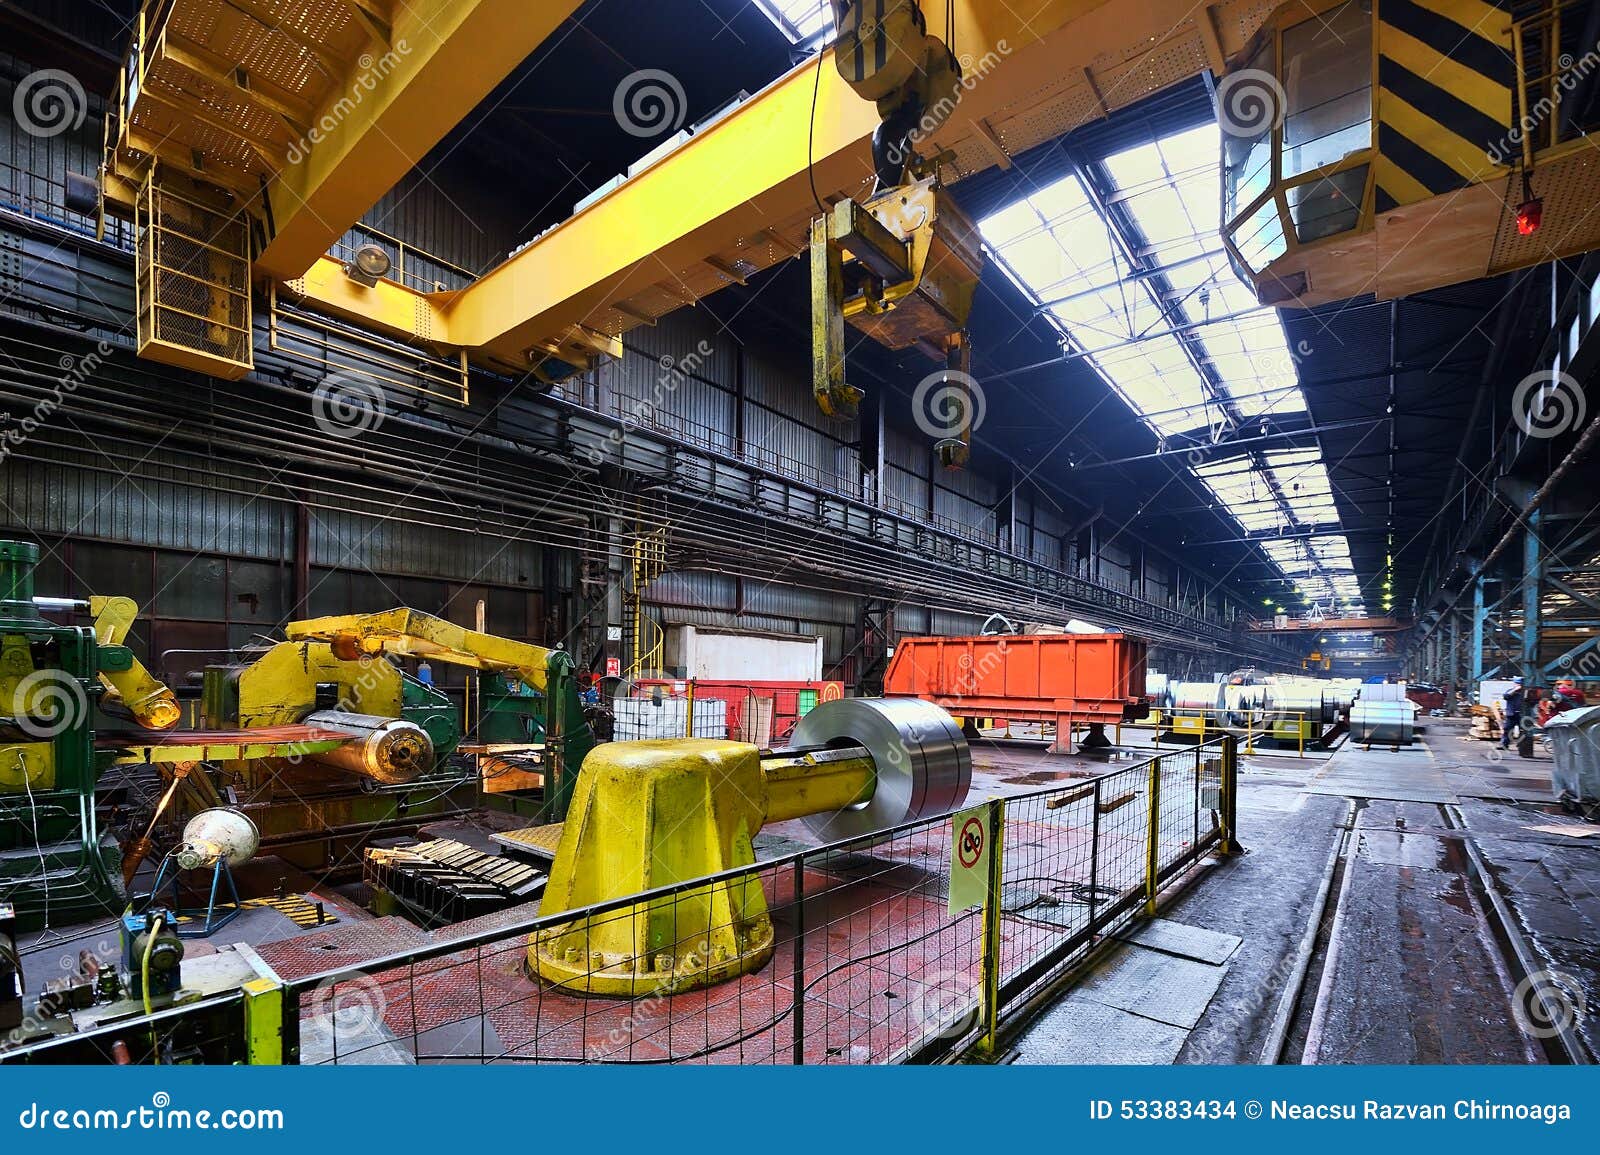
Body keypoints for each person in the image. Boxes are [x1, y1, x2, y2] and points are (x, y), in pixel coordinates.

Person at [1499, 677, 1524, 749]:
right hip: (1511, 714)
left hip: (1521, 715)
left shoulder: (1524, 693)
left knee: (1523, 730)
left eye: (1520, 684)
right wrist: (1515, 690)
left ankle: (1521, 746)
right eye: (1517, 684)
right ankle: (1504, 744)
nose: (1518, 686)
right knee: (1507, 729)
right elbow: (1505, 696)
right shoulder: (1510, 691)